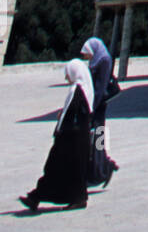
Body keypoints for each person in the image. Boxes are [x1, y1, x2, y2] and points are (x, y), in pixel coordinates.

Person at [20, 60, 93, 212]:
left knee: (57, 167)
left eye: (68, 74)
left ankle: (37, 197)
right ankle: (37, 197)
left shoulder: (77, 89)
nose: (66, 78)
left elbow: (70, 114)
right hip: (82, 134)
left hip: (73, 137)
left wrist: (59, 129)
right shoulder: (85, 88)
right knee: (70, 168)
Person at [80, 37, 119, 188]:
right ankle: (105, 165)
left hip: (98, 106)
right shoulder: (97, 59)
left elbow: (100, 88)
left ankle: (102, 167)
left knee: (98, 137)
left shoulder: (104, 60)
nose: (85, 57)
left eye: (86, 54)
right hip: (95, 105)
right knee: (97, 138)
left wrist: (91, 108)